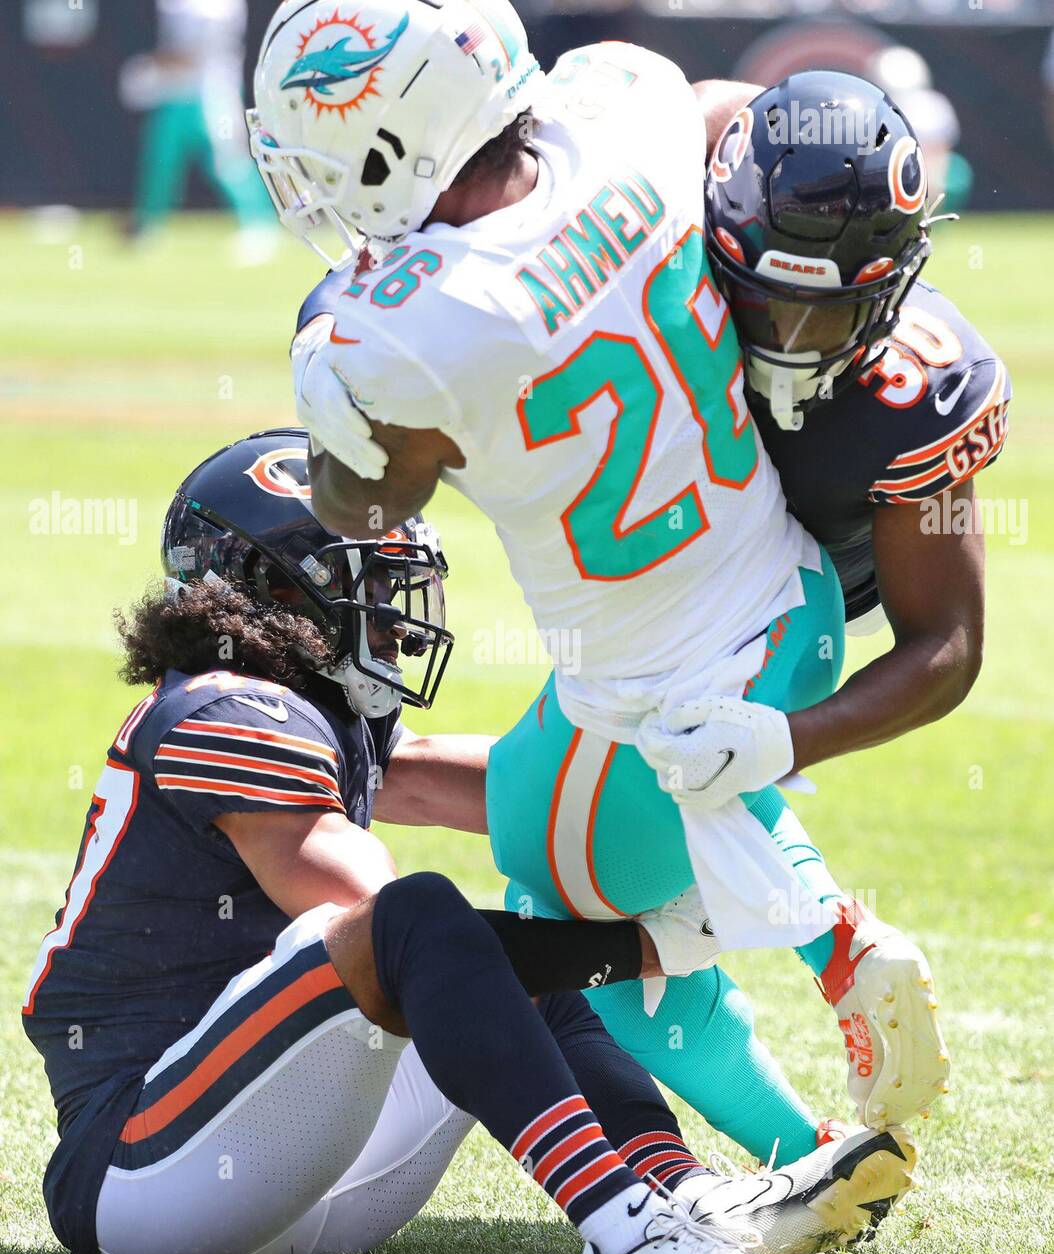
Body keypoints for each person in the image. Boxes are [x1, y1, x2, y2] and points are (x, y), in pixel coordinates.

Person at [249, 6, 948, 1135]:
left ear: (396, 135)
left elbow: (367, 501)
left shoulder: (409, 333)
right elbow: (738, 125)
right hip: (800, 611)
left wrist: (324, 376)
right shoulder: (620, 106)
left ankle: (806, 1125)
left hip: (652, 696)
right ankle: (811, 931)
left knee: (561, 905)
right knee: (562, 786)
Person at [23, 430, 859, 1254]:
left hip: (294, 1172)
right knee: (426, 919)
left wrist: (668, 786)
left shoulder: (315, 715)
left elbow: (503, 796)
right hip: (143, 1164)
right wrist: (643, 946)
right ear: (275, 587)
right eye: (371, 579)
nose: (392, 607)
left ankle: (677, 1199)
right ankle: (625, 1245)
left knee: (508, 942)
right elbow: (394, 930)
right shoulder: (225, 709)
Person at [121, 0, 276, 263]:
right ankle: (146, 226)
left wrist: (151, 65)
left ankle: (259, 226)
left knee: (227, 162)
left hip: (212, 91)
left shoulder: (215, 7)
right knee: (160, 162)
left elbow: (194, 52)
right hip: (173, 91)